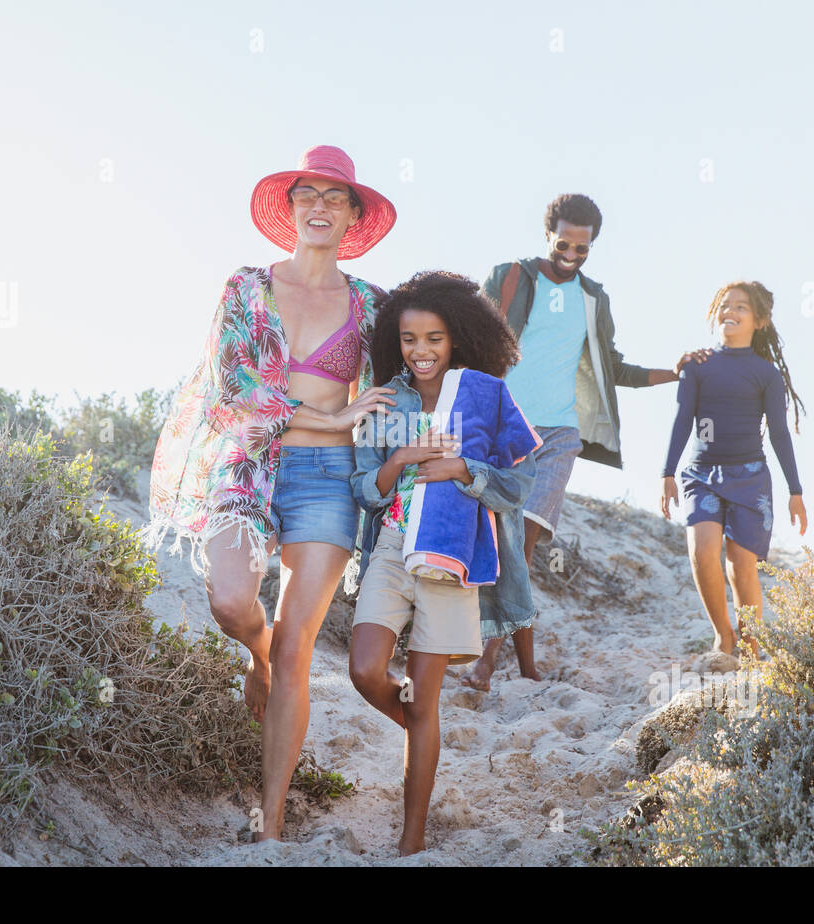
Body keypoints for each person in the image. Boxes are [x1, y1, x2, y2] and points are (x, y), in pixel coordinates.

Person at [139, 145, 397, 843]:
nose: (318, 206)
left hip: (328, 484)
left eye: (333, 197)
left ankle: (272, 825)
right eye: (305, 194)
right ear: (289, 210)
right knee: (230, 600)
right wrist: (327, 413)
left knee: (298, 653)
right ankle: (255, 652)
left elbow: (389, 393)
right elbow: (234, 388)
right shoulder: (247, 287)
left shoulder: (371, 304)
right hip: (249, 465)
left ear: (352, 215)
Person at [463, 193, 710, 691]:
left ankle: (489, 662)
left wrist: (673, 371)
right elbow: (472, 343)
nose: (572, 256)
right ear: (547, 234)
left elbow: (611, 366)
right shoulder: (511, 277)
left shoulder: (594, 298)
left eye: (583, 249)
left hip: (558, 435)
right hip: (504, 427)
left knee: (520, 543)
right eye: (564, 245)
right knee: (499, 543)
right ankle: (522, 663)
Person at [348, 271, 538, 855]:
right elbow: (365, 488)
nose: (421, 351)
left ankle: (411, 839)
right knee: (365, 670)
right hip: (390, 547)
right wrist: (403, 455)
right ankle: (421, 730)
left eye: (434, 338)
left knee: (424, 700)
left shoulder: (483, 397)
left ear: (456, 338)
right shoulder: (387, 401)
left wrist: (465, 471)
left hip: (452, 561)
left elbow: (517, 486)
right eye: (409, 339)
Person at [659, 280, 807, 665]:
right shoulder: (698, 366)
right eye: (725, 305)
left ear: (758, 320)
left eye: (741, 307)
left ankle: (751, 648)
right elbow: (682, 420)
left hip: (751, 476)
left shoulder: (766, 375)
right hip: (702, 474)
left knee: (742, 568)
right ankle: (723, 636)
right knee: (702, 551)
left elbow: (778, 432)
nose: (730, 311)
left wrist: (796, 489)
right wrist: (667, 472)